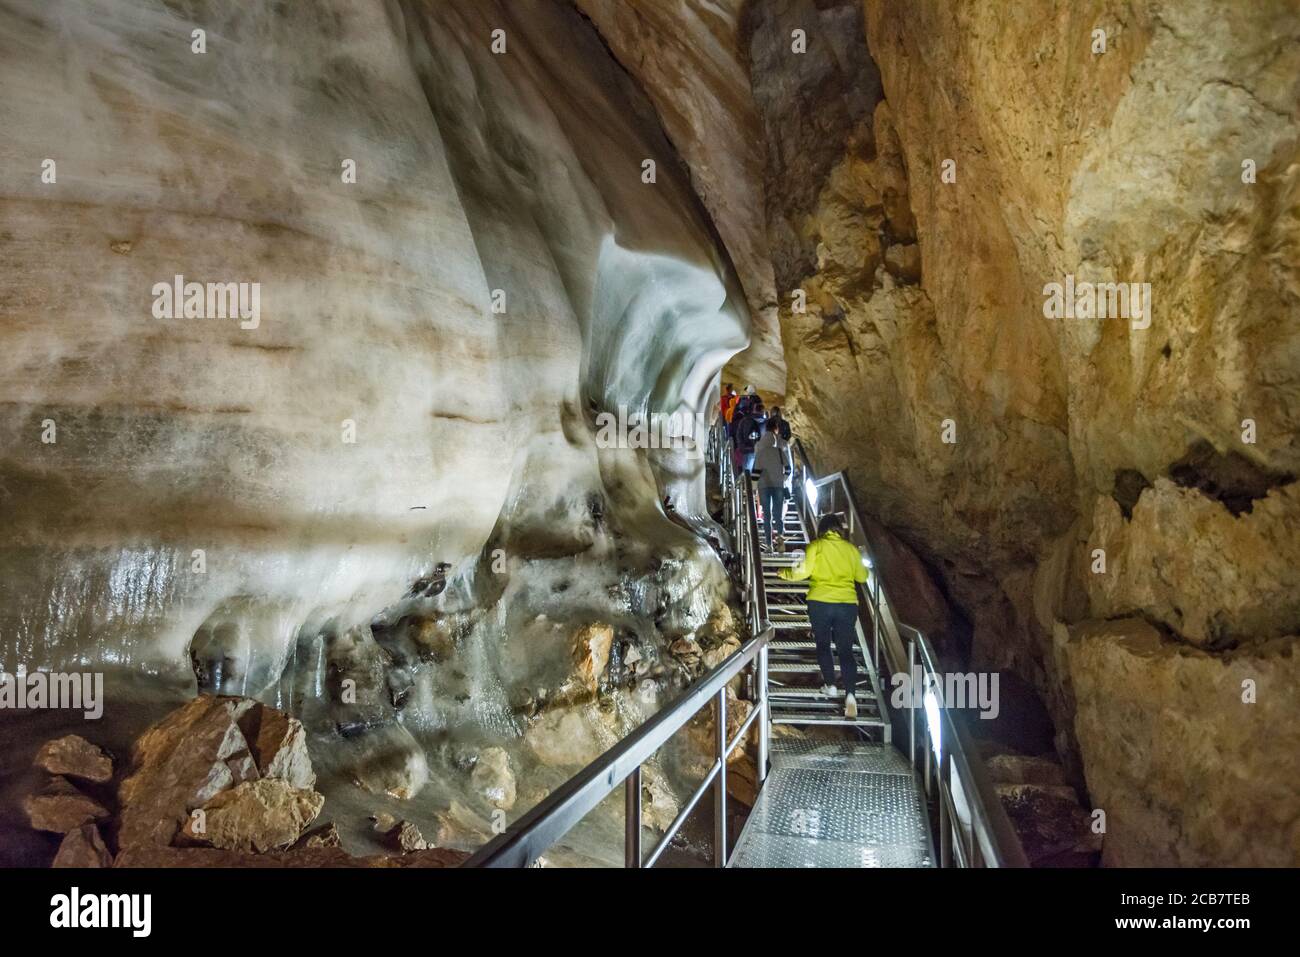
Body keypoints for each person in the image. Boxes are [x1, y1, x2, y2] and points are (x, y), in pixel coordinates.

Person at [778, 513, 868, 718]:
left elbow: (803, 572)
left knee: (824, 644)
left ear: (822, 529)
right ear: (839, 529)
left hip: (820, 602)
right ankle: (851, 695)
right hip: (846, 604)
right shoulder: (851, 550)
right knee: (845, 650)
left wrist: (784, 573)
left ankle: (830, 685)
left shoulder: (816, 546)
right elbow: (862, 576)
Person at [752, 419, 792, 550]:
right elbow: (788, 469)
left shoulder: (760, 452)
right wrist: (783, 478)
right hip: (778, 485)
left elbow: (756, 472)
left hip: (764, 486)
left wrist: (753, 488)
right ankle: (780, 541)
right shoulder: (779, 451)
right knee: (778, 515)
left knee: (767, 516)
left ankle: (769, 544)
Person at [733, 399, 765, 473]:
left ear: (754, 409)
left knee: (747, 474)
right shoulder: (767, 423)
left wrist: (741, 446)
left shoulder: (745, 421)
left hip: (748, 450)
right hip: (762, 452)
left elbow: (739, 434)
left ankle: (746, 483)